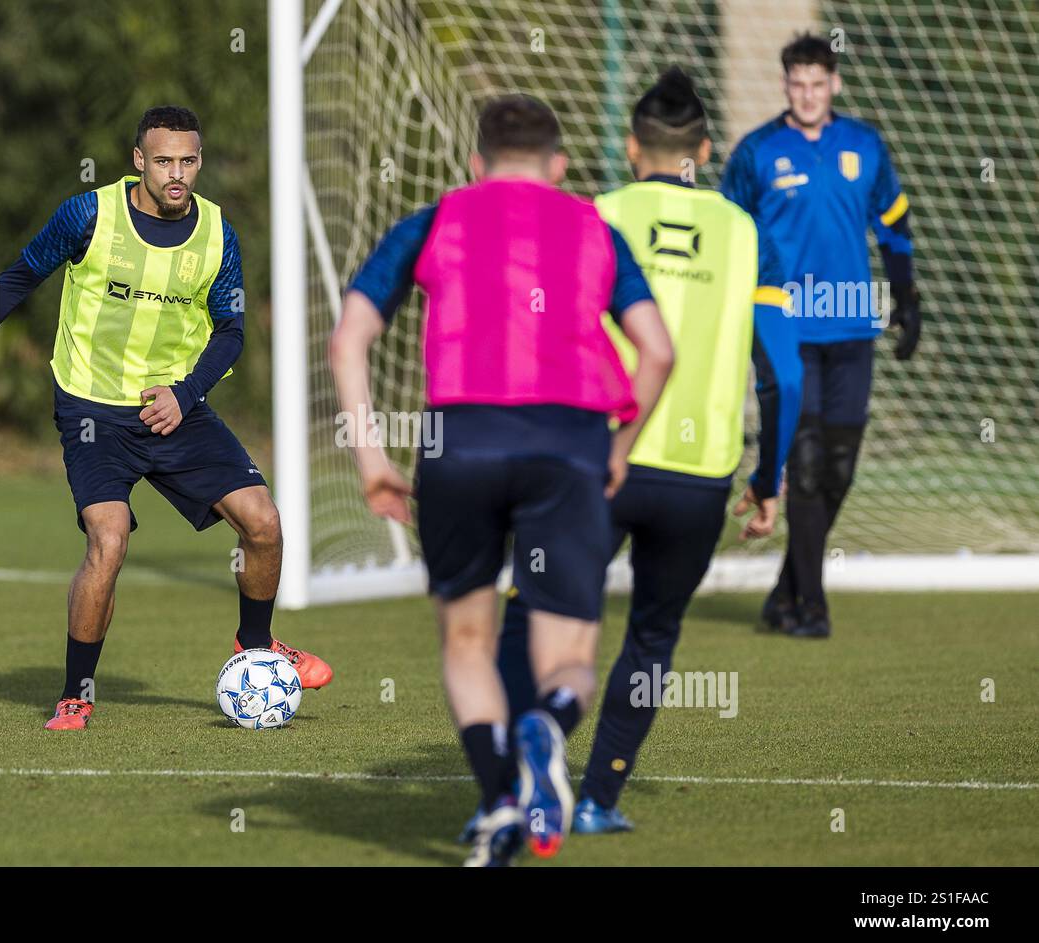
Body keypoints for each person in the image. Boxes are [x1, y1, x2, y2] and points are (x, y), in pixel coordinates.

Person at [0, 106, 332, 732]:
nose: (176, 174)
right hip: (92, 410)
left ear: (199, 162)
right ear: (139, 161)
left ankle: (257, 646)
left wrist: (184, 395)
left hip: (177, 408)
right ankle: (76, 693)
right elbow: (16, 282)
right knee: (109, 539)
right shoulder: (88, 216)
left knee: (264, 524)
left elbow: (232, 333)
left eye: (187, 160)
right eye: (163, 161)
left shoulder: (218, 233)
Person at [329, 95, 673, 865]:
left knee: (467, 640)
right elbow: (657, 351)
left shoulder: (436, 219)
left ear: (477, 165)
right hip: (569, 440)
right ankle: (548, 723)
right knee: (569, 658)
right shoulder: (595, 228)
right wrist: (621, 444)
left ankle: (496, 808)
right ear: (559, 167)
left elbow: (348, 338)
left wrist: (372, 457)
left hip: (461, 439)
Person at [490, 68, 802, 838]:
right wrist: (767, 479)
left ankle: (527, 760)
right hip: (699, 478)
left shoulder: (594, 216)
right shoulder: (742, 230)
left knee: (533, 611)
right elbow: (785, 374)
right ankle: (597, 799)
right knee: (653, 636)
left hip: (600, 459)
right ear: (703, 149)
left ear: (632, 148)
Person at [722, 34, 920, 638]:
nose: (806, 94)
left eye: (817, 83)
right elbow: (729, 232)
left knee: (839, 467)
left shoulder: (864, 144)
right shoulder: (756, 151)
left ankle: (784, 593)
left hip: (853, 324)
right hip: (785, 327)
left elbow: (894, 222)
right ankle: (812, 605)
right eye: (796, 83)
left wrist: (906, 297)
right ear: (786, 86)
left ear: (833, 84)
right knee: (803, 464)